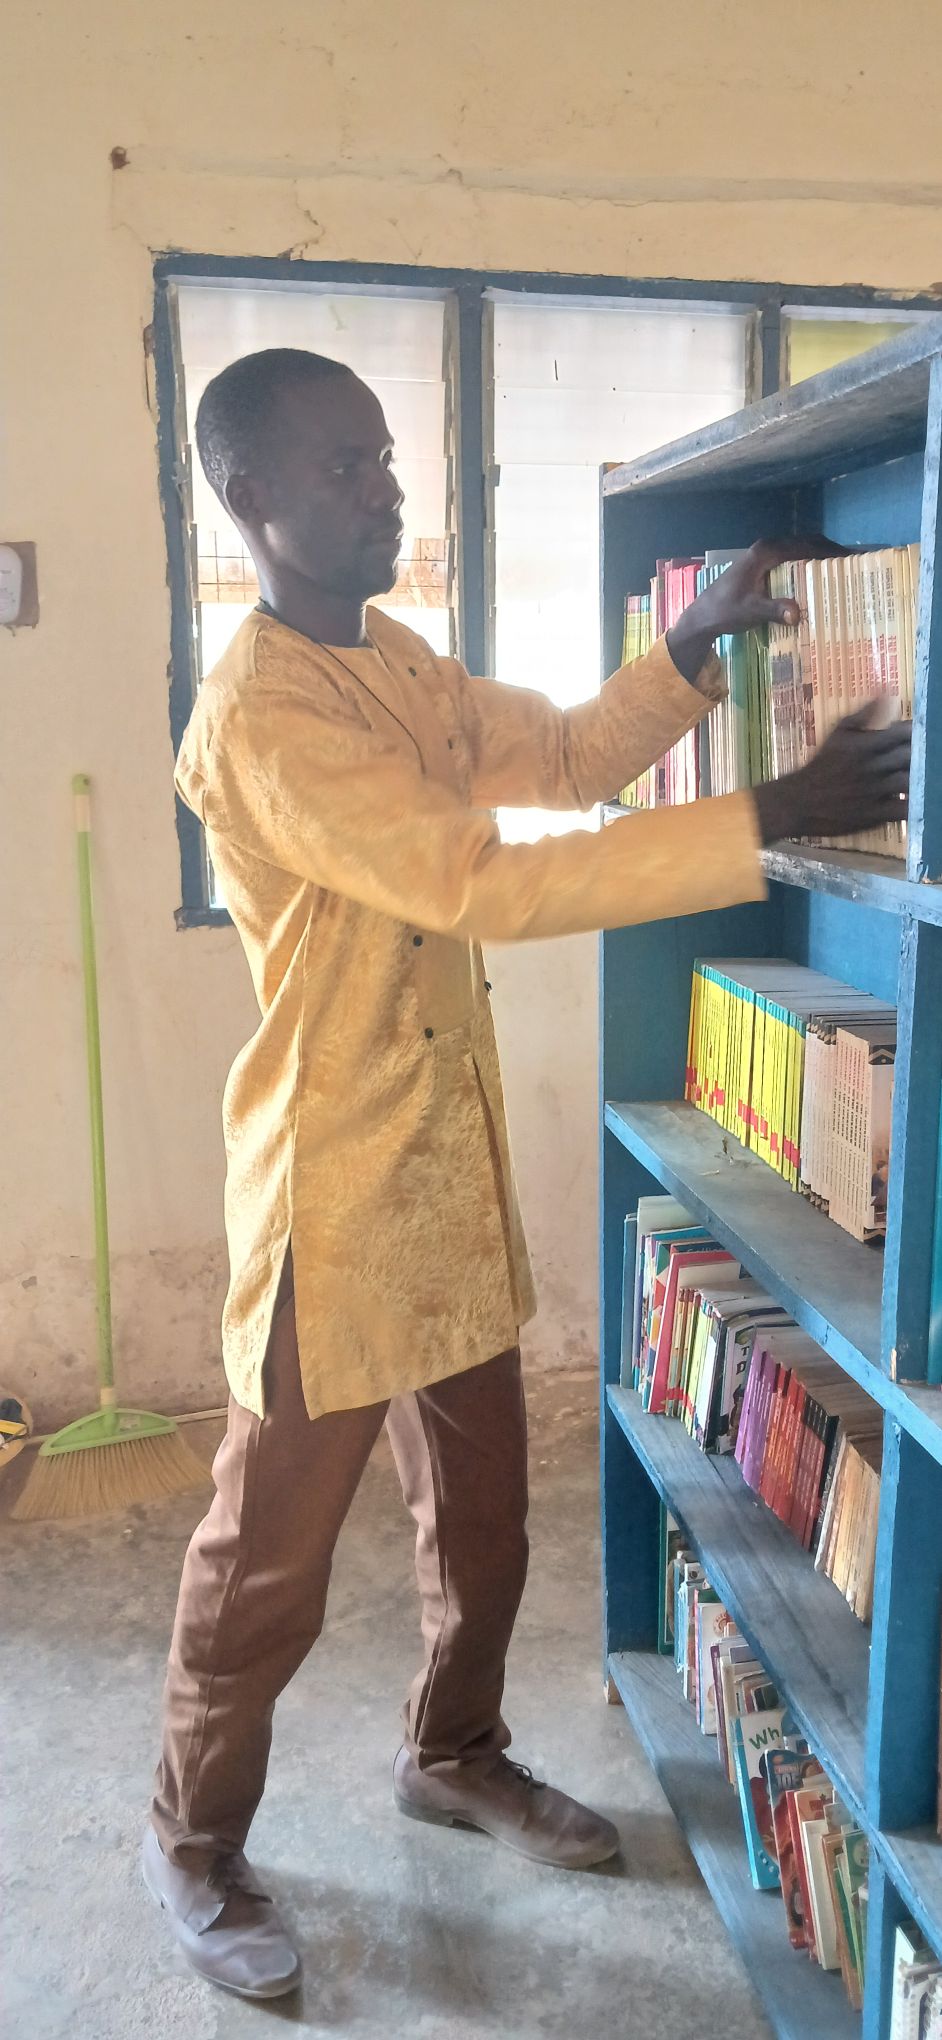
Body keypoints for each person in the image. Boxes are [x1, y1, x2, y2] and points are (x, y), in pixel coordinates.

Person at [144, 347, 910, 2001]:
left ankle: (456, 1749)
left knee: (482, 1524)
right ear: (246, 497)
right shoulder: (266, 714)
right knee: (261, 1566)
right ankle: (194, 1843)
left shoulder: (397, 667)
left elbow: (556, 756)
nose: (386, 491)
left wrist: (688, 660)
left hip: (446, 1179)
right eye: (345, 468)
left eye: (387, 460)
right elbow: (473, 882)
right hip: (331, 1197)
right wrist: (765, 811)